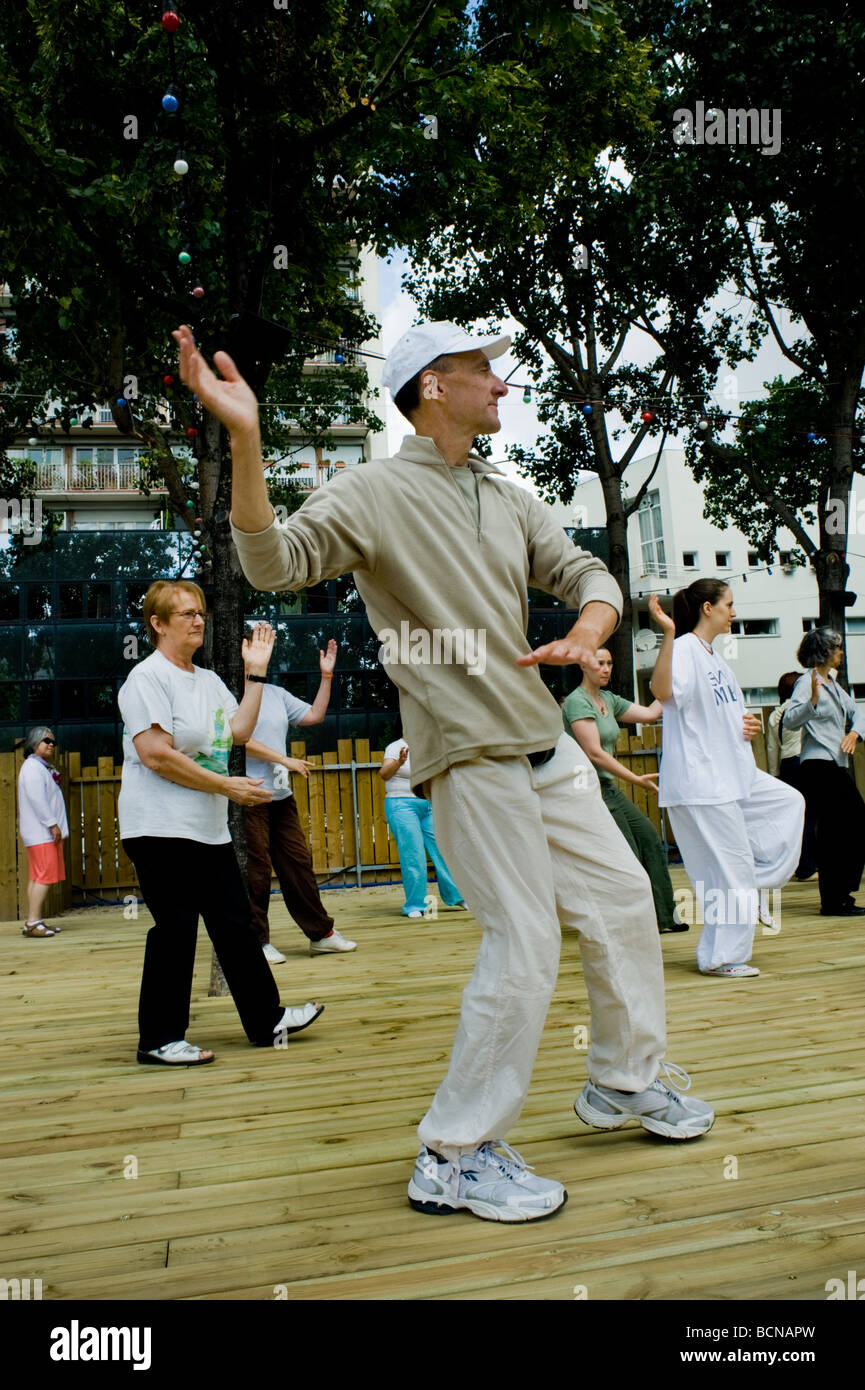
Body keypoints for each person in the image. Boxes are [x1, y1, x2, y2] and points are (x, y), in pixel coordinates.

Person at [174, 317, 714, 1225]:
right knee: (525, 940)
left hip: (541, 744)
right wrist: (246, 440)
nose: (500, 385)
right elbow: (271, 563)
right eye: (482, 372)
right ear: (432, 386)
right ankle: (453, 1154)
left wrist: (587, 629)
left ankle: (624, 1080)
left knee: (624, 902)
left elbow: (585, 569)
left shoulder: (505, 494)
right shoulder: (374, 491)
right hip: (467, 753)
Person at [117, 580, 324, 1066]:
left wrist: (256, 676)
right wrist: (225, 787)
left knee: (235, 924)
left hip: (205, 828)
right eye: (186, 613)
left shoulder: (207, 680)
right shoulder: (146, 679)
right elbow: (155, 756)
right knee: (175, 928)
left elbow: (237, 733)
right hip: (158, 828)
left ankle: (266, 1019)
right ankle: (159, 1039)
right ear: (158, 623)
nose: (198, 620)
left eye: (201, 612)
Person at [649, 582, 804, 978]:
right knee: (726, 871)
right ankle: (721, 958)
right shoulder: (683, 649)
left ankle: (752, 888)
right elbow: (662, 690)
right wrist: (668, 633)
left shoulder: (716, 660)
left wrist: (747, 724)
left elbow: (728, 715)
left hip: (732, 773)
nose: (734, 612)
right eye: (729, 605)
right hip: (702, 780)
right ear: (707, 608)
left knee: (790, 803)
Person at [243, 638, 357, 961]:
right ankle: (257, 943)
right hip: (248, 794)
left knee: (298, 865)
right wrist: (285, 759)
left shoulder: (276, 694)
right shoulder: (229, 694)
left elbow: (314, 715)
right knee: (257, 870)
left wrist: (326, 677)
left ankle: (321, 934)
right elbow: (239, 738)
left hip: (280, 796)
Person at [561, 650, 687, 933]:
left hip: (606, 788)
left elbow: (652, 713)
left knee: (650, 839)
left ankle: (664, 917)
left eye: (609, 663)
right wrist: (636, 779)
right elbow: (594, 753)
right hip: (584, 790)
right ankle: (630, 922)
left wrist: (675, 675)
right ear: (583, 664)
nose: (606, 669)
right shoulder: (576, 702)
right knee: (625, 853)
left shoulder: (609, 700)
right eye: (599, 663)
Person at [782, 629, 865, 916]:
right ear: (824, 652)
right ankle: (834, 899)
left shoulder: (833, 683)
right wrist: (812, 702)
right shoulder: (809, 682)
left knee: (842, 829)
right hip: (818, 765)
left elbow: (859, 712)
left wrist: (854, 733)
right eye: (836, 648)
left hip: (835, 763)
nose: (841, 652)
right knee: (843, 826)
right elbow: (790, 720)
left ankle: (839, 896)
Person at [379, 738, 464, 918]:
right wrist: (399, 762)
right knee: (413, 854)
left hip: (428, 804)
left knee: (444, 850)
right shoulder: (395, 747)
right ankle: (415, 905)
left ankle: (457, 896)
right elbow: (384, 774)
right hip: (401, 803)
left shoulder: (429, 744)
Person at [17, 726, 68, 938]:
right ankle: (32, 921)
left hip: (41, 833)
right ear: (34, 743)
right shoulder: (32, 768)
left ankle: (34, 920)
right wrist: (52, 824)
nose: (51, 745)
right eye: (46, 740)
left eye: (53, 742)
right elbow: (38, 799)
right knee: (44, 877)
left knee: (38, 877)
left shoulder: (39, 767)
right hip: (42, 833)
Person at [766, 671, 817, 880]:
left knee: (796, 820)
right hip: (805, 760)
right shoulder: (803, 709)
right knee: (812, 816)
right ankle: (810, 867)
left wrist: (774, 775)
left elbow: (772, 748)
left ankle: (801, 867)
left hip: (787, 766)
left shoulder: (775, 715)